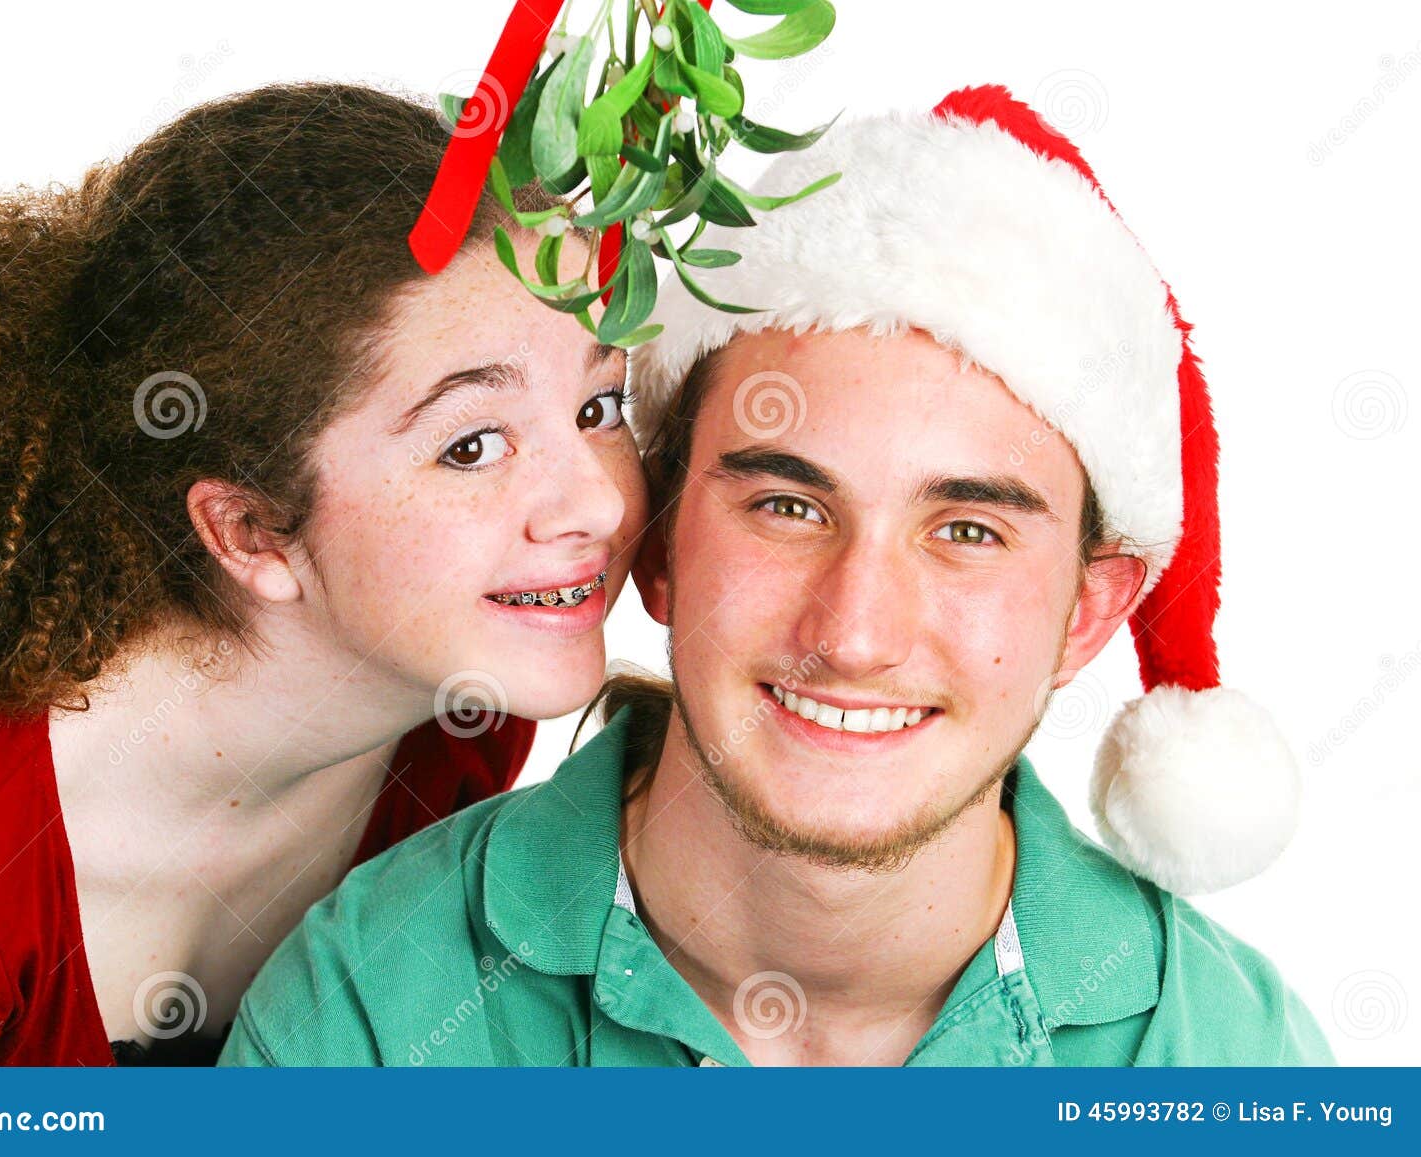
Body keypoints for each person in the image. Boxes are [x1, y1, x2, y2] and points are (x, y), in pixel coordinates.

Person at [219, 86, 1333, 1067]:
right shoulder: (366, 1013)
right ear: (656, 548)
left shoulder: (1225, 1057)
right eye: (789, 507)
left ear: (1088, 609)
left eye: (968, 531)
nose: (853, 632)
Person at [0, 82, 645, 1065]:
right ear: (249, 529)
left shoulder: (461, 719)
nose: (596, 501)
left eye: (599, 406)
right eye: (470, 446)